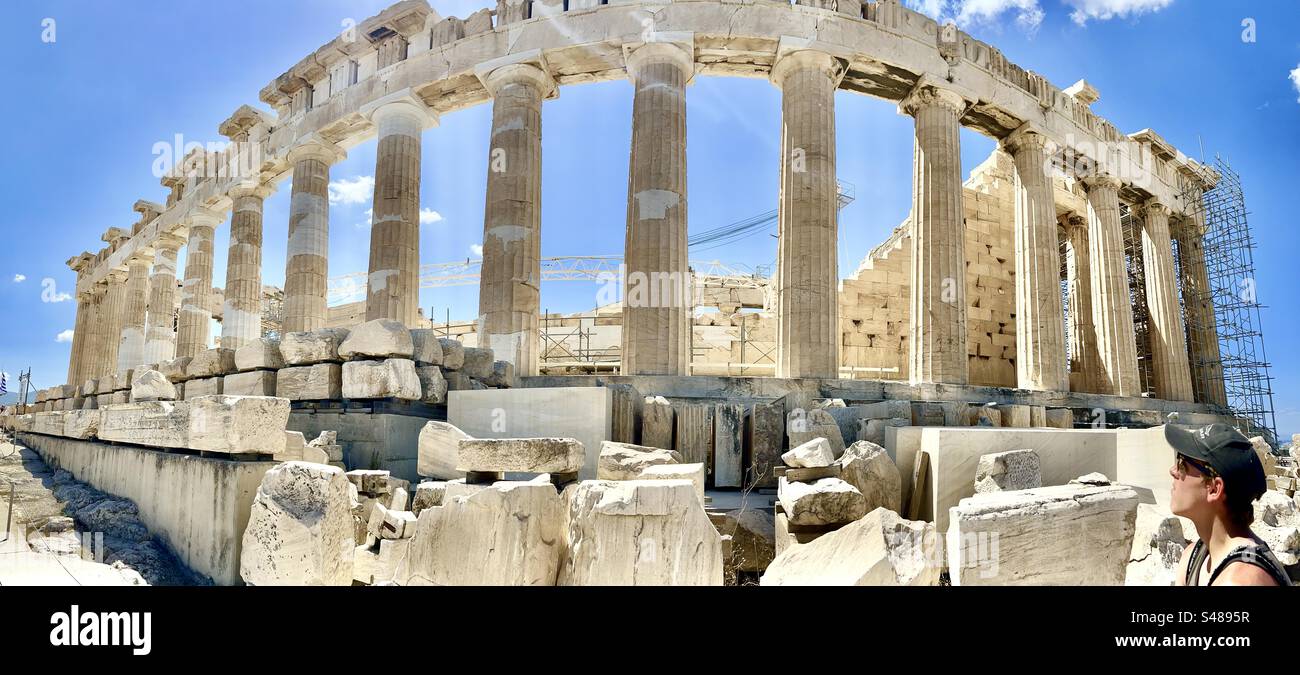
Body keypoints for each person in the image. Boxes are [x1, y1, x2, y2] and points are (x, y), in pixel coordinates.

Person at [1168, 423, 1291, 586]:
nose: (1173, 470)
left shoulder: (1241, 580)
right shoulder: (1194, 556)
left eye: (1182, 463)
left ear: (1213, 488)